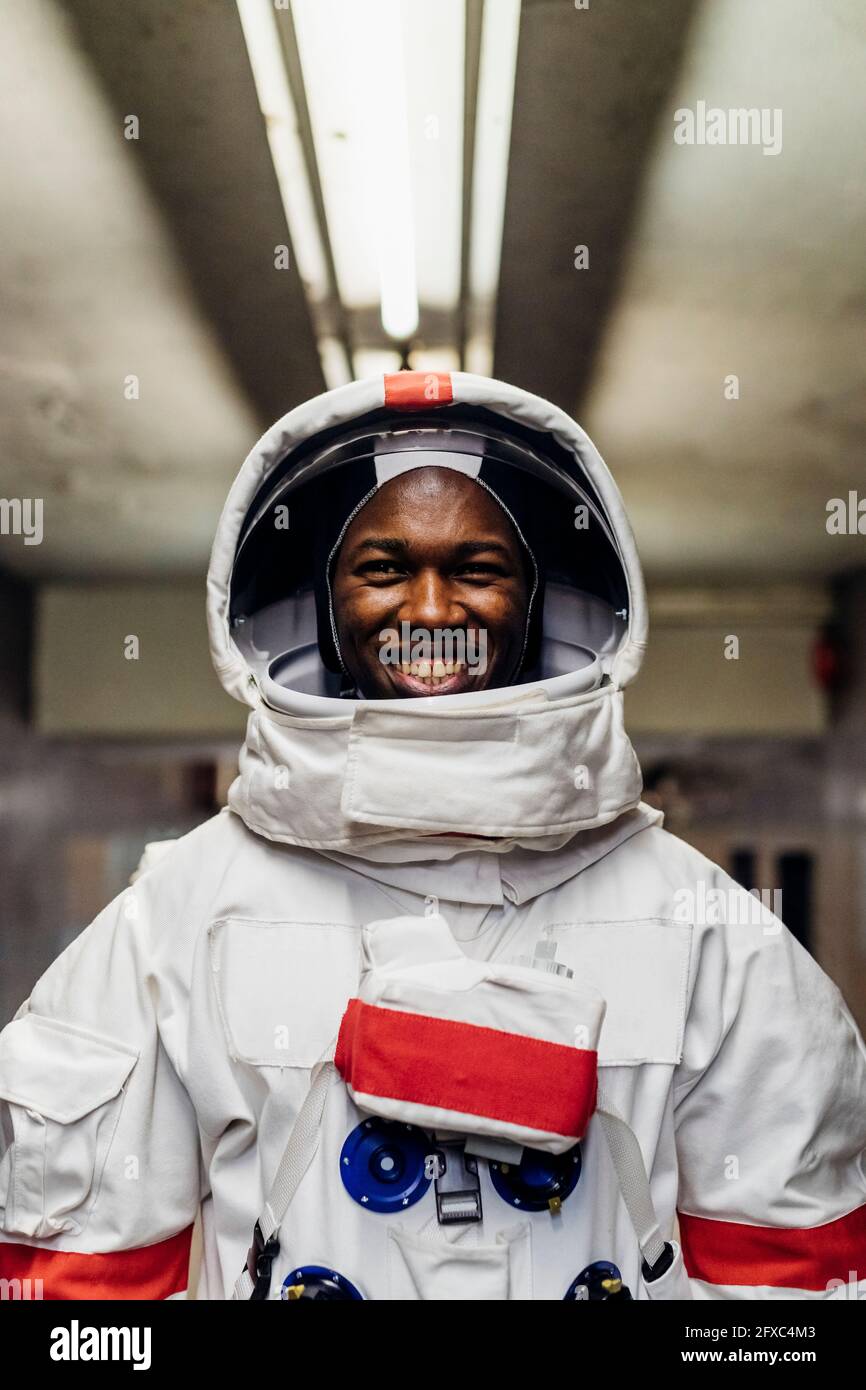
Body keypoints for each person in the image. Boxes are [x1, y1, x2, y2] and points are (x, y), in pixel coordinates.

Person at [1, 369, 865, 1301]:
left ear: (542, 604)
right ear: (318, 607)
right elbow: (88, 1294)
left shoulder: (703, 931)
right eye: (383, 568)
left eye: (476, 569)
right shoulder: (177, 923)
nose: (431, 611)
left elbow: (789, 1292)